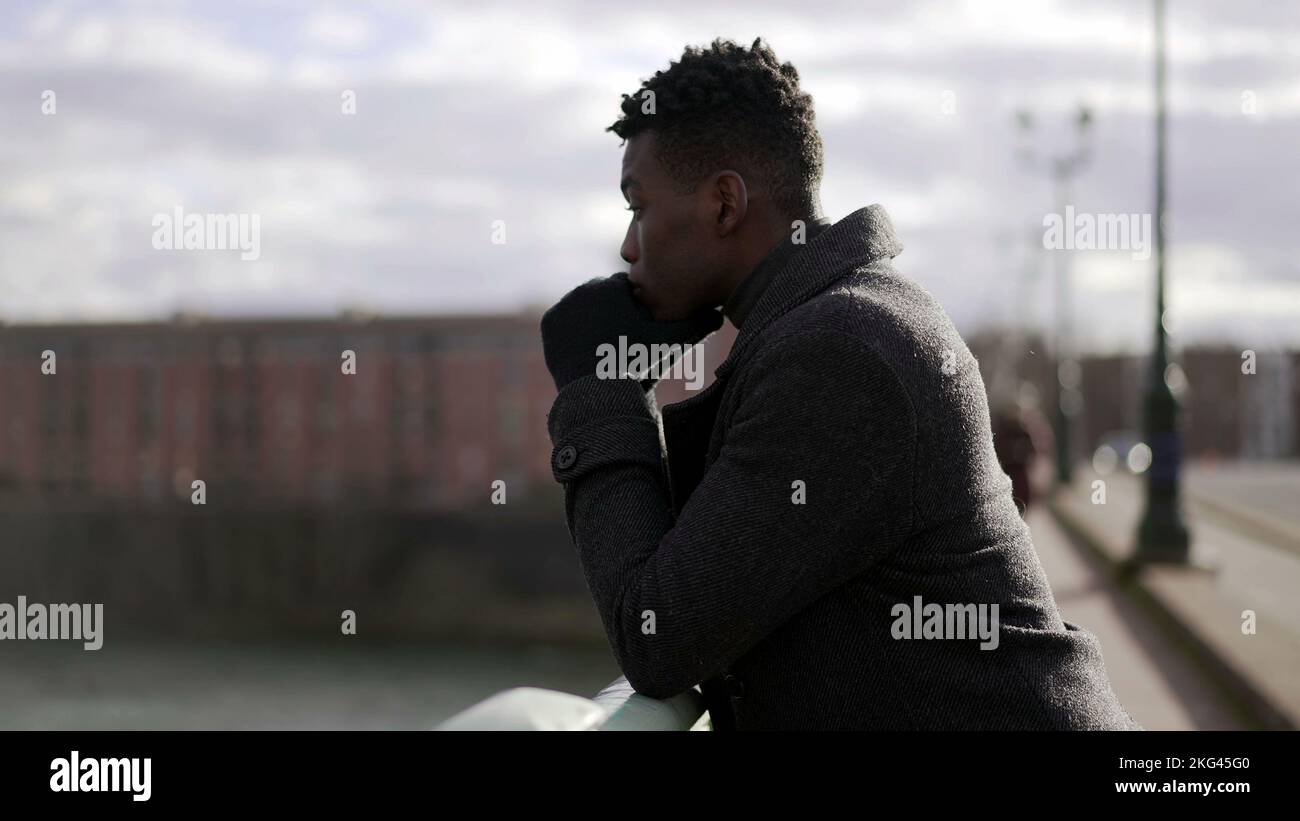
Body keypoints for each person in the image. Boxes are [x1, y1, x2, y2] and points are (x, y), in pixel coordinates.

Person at [539, 37, 1138, 730]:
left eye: (636, 206)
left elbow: (657, 632)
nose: (628, 246)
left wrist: (597, 381)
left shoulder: (838, 354)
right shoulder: (847, 319)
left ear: (724, 203)